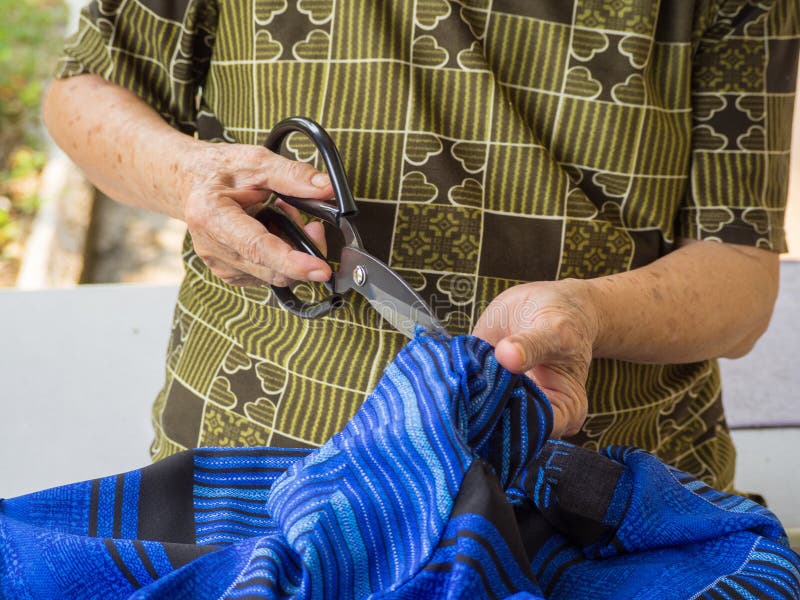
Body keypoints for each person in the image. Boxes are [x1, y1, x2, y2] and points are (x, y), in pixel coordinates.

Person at [45, 0, 798, 492]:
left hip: (596, 492)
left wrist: (590, 313)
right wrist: (188, 174)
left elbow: (741, 281)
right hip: (253, 470)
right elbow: (82, 90)